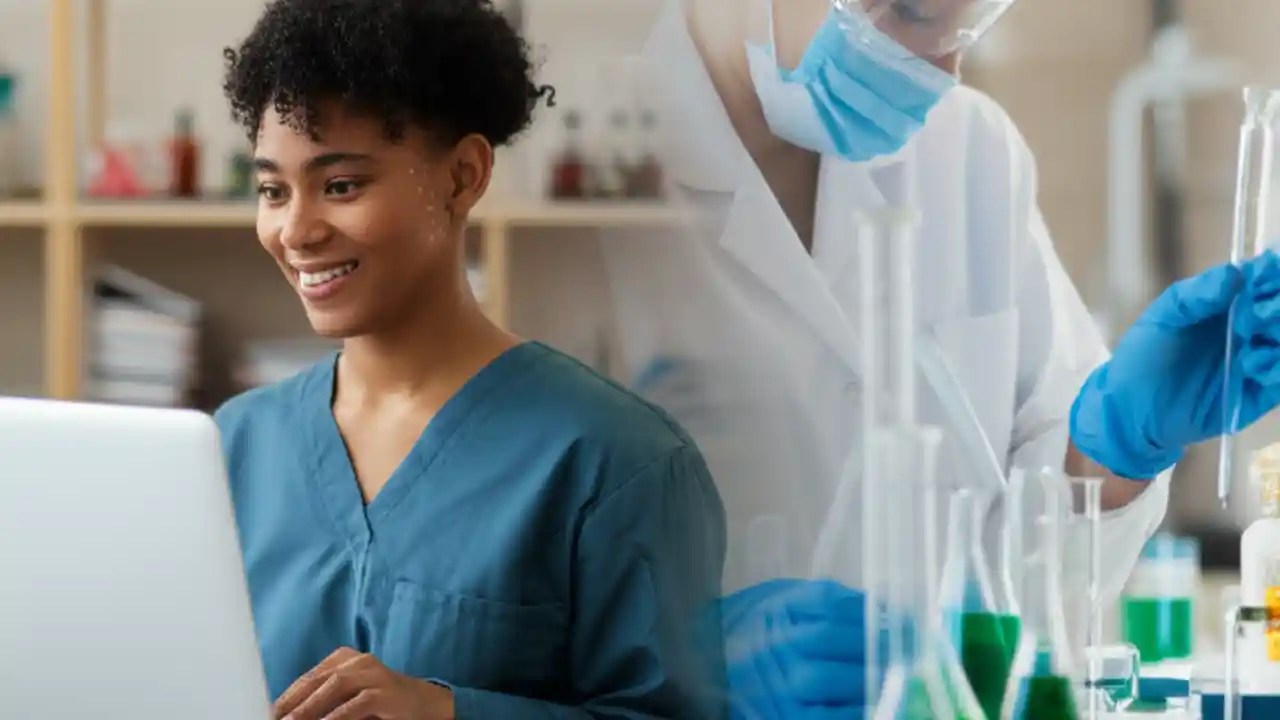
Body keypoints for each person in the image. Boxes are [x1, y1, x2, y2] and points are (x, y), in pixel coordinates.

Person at [583, 0, 1280, 715]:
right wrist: (674, 662)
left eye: (970, 21)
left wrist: (1113, 448)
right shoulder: (570, 185)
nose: (946, 69)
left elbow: (1031, 588)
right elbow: (521, 611)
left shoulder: (969, 150)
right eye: (913, 10)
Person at [213, 1, 727, 718]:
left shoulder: (616, 460)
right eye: (273, 191)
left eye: (341, 186)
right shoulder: (232, 446)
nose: (296, 230)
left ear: (462, 177)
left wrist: (444, 711)